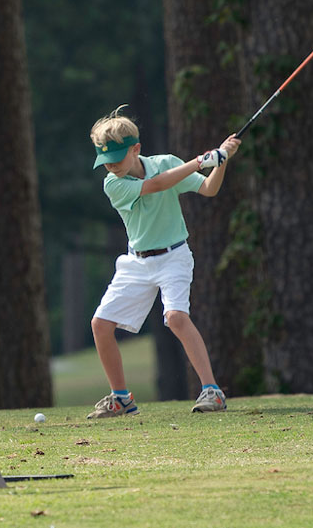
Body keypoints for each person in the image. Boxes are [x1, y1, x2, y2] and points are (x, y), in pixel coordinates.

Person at [85, 105, 241, 418]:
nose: (111, 166)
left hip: (174, 257)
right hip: (137, 262)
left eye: (116, 158)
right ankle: (121, 398)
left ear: (136, 149)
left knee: (175, 319)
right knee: (100, 324)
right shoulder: (113, 184)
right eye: (106, 161)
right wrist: (200, 161)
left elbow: (209, 188)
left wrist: (221, 161)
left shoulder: (166, 163)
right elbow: (156, 185)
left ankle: (212, 391)